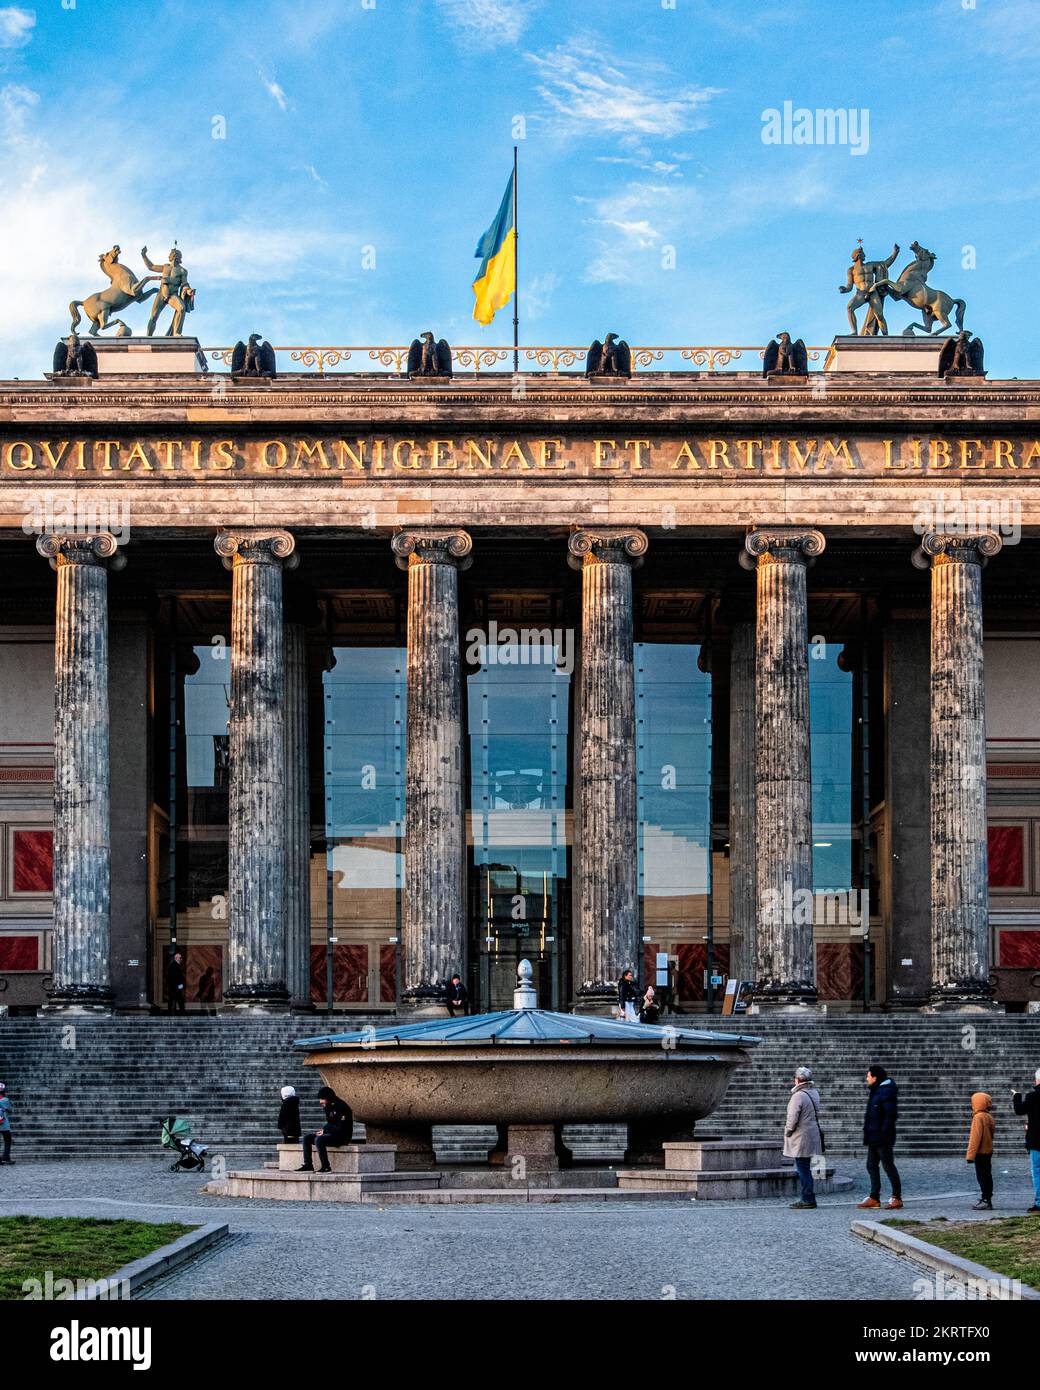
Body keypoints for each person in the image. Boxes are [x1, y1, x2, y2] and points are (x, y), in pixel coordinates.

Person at [858, 1063, 903, 1210]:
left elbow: (890, 1115)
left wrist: (883, 1134)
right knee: (871, 1165)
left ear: (875, 1077)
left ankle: (897, 1198)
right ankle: (874, 1197)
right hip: (873, 1137)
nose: (866, 1078)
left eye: (868, 1076)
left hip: (882, 1138)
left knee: (888, 1166)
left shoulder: (885, 1092)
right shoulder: (877, 1091)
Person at [783, 1066, 823, 1210]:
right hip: (811, 1134)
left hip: (801, 1136)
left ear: (798, 1080)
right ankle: (808, 1197)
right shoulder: (814, 1093)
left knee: (802, 1168)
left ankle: (807, 1198)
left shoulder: (798, 1096)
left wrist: (788, 1131)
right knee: (805, 1167)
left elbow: (792, 1117)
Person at [298, 1087, 353, 1173]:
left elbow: (341, 1127)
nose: (320, 1102)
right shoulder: (328, 1106)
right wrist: (324, 1130)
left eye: (322, 1099)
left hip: (342, 1136)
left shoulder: (342, 1107)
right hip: (332, 1133)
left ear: (328, 1098)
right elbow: (330, 1123)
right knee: (307, 1138)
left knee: (319, 1139)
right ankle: (308, 1165)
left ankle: (326, 1167)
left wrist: (326, 1131)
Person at [1011, 1066, 1040, 1214]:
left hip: (1036, 1141)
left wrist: (1017, 1096)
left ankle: (1039, 1202)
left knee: (1037, 1171)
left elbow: (1019, 1110)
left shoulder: (1032, 1096)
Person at [965, 1091, 995, 1211]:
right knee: (988, 1176)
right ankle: (988, 1198)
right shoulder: (989, 1116)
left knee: (982, 1177)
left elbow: (975, 1138)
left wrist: (970, 1155)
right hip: (988, 1150)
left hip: (980, 1152)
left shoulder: (978, 1117)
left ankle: (985, 1199)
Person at [0, 1082, 12, 1165]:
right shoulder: (5, 1100)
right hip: (3, 1124)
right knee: (7, 1140)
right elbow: (9, 1110)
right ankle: (6, 1157)